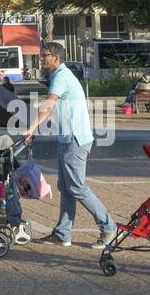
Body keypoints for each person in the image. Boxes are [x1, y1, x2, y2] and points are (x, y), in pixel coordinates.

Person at [23, 41, 114, 249]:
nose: (42, 59)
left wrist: (31, 128)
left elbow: (48, 105)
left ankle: (108, 227)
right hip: (68, 139)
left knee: (76, 187)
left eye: (45, 55)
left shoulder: (61, 76)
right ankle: (63, 233)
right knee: (66, 187)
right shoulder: (58, 76)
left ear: (56, 58)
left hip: (75, 141)